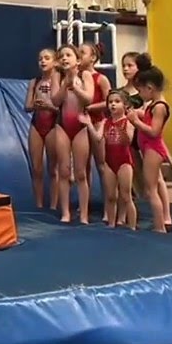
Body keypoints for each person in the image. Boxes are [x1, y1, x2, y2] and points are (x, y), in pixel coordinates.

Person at [122, 52, 171, 229]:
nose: (140, 94)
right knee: (150, 189)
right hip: (148, 147)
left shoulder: (159, 107)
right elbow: (148, 117)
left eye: (141, 90)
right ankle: (160, 224)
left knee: (151, 189)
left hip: (153, 148)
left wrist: (136, 122)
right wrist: (138, 114)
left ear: (150, 88)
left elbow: (154, 131)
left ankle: (160, 226)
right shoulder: (153, 105)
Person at [81, 90, 136, 230]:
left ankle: (132, 226)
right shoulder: (105, 122)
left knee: (126, 196)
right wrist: (89, 124)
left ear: (125, 105)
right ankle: (111, 223)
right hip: (109, 162)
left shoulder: (128, 122)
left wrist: (124, 127)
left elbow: (128, 141)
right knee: (111, 196)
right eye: (110, 102)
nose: (113, 104)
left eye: (117, 102)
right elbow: (97, 138)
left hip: (124, 162)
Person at [55, 44, 93, 224]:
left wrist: (75, 87)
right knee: (63, 171)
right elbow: (55, 101)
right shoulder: (58, 77)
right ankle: (65, 212)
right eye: (61, 56)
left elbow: (88, 99)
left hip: (80, 127)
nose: (64, 58)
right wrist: (65, 85)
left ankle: (84, 214)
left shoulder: (85, 76)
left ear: (77, 60)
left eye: (68, 55)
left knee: (80, 173)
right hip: (62, 127)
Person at [77, 43, 112, 222]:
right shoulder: (76, 78)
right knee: (84, 168)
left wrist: (90, 107)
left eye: (82, 52)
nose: (79, 55)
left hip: (97, 123)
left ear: (93, 58)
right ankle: (85, 205)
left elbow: (110, 102)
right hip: (81, 125)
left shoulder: (101, 79)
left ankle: (108, 207)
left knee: (102, 166)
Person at [24, 48, 61, 210]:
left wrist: (48, 106)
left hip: (53, 124)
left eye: (47, 58)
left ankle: (53, 205)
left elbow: (62, 108)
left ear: (55, 62)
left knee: (53, 168)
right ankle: (39, 205)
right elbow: (27, 106)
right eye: (40, 59)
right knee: (37, 168)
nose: (43, 61)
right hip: (37, 124)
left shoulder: (59, 80)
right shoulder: (35, 81)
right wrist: (36, 105)